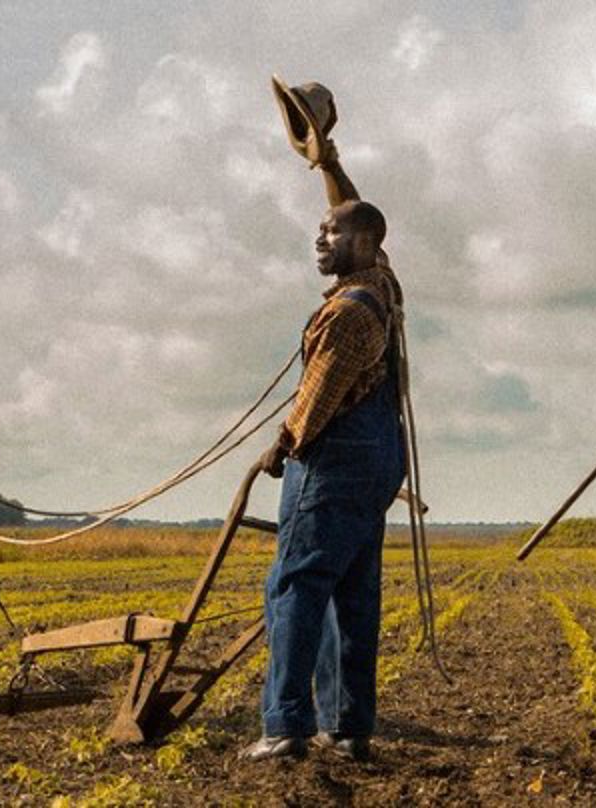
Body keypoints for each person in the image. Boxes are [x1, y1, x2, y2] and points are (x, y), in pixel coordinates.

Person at [242, 80, 405, 763]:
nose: (320, 235)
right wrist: (324, 160)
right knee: (352, 590)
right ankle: (348, 726)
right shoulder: (384, 285)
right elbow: (354, 208)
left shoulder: (345, 313)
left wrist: (277, 447)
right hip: (378, 454)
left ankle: (283, 724)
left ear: (363, 242)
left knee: (296, 582)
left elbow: (316, 397)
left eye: (331, 232)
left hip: (334, 456)